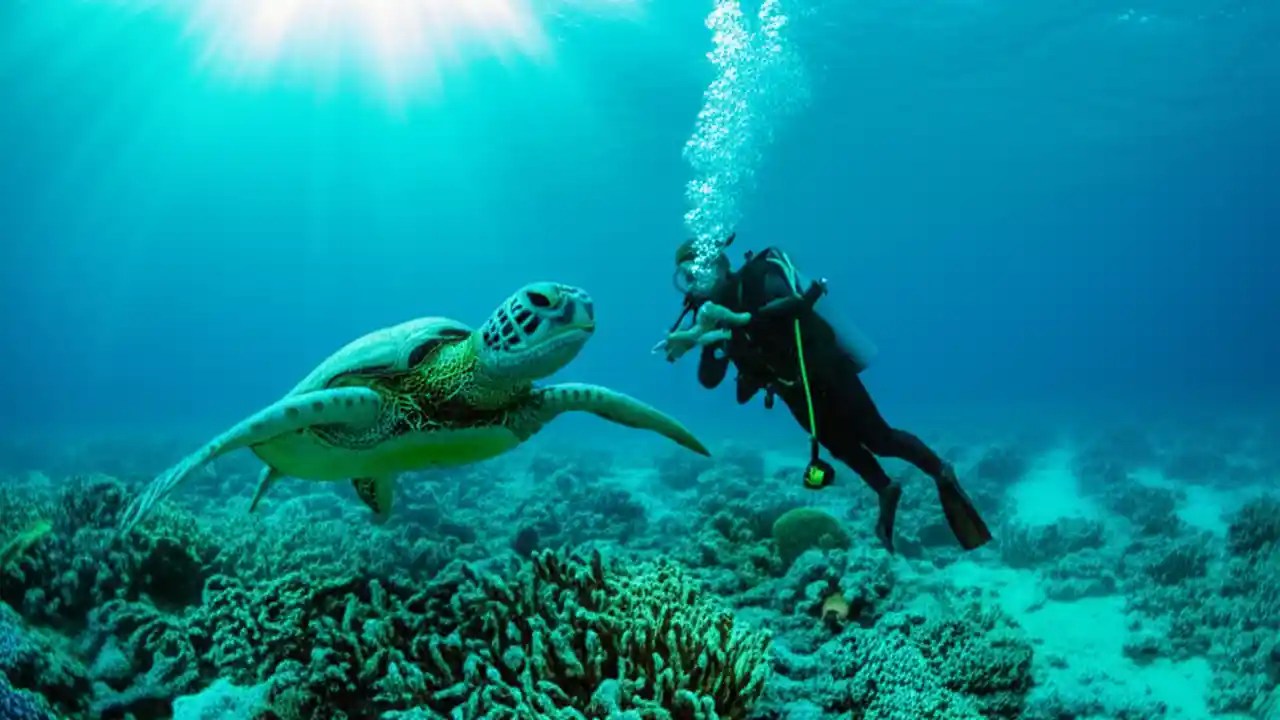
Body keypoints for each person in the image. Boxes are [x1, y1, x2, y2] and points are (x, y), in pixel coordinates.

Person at [656, 234, 992, 553]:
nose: (699, 281)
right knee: (840, 447)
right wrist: (703, 342)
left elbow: (794, 304)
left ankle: (940, 471)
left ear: (722, 263)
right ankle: (885, 490)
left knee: (879, 438)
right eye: (688, 276)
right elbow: (711, 380)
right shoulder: (709, 322)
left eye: (704, 268)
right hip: (792, 392)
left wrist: (739, 320)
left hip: (826, 370)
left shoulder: (759, 276)